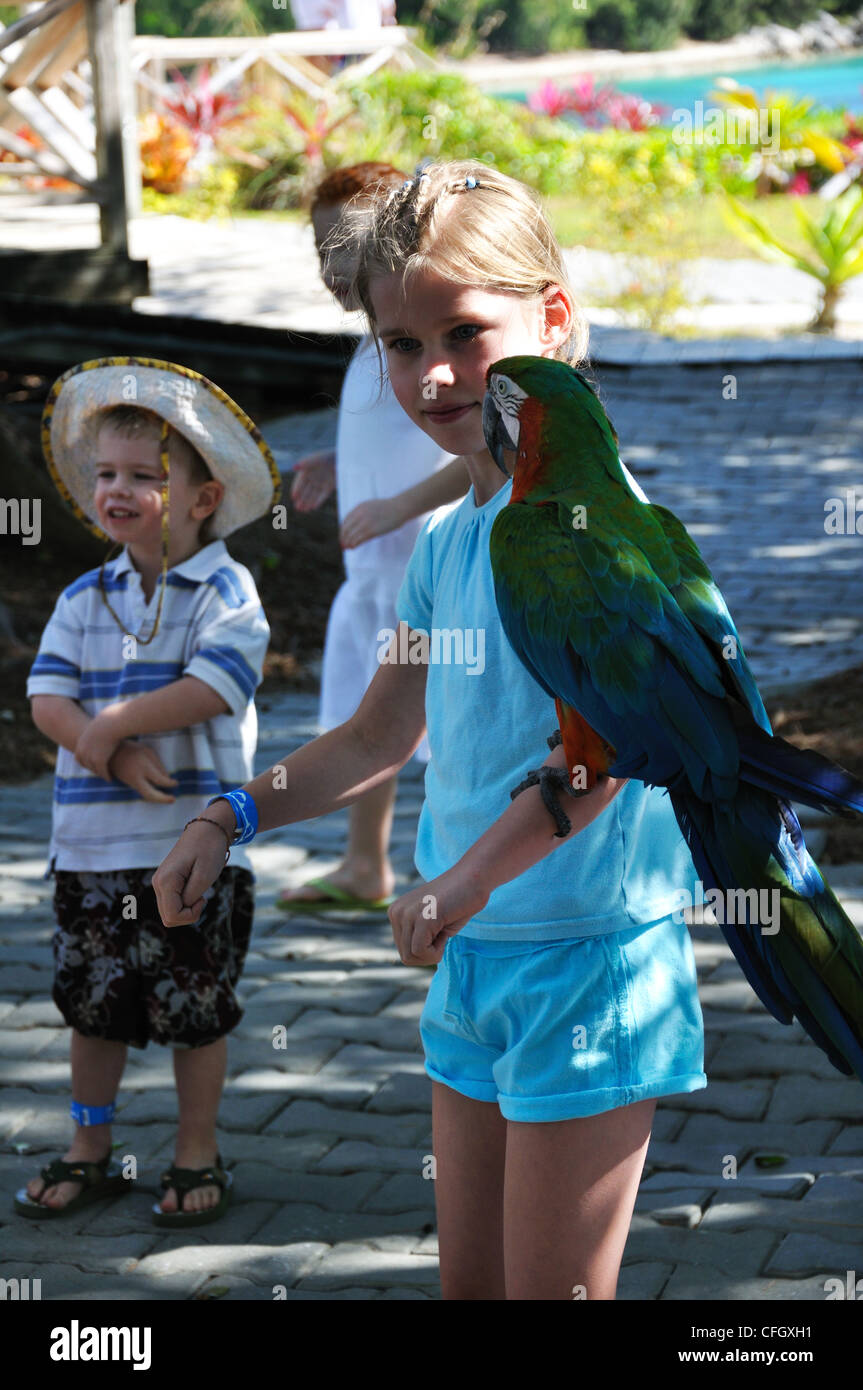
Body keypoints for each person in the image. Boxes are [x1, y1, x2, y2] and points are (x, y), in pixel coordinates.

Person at [153, 161, 705, 1299]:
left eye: (464, 328)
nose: (434, 372)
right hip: (468, 965)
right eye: (399, 344)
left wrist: (457, 883)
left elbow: (592, 761)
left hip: (586, 960)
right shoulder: (449, 546)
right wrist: (233, 810)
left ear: (552, 318)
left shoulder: (607, 533)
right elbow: (371, 738)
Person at [16, 357, 277, 1227]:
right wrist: (108, 752)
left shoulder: (227, 592)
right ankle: (91, 1146)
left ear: (202, 500)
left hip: (184, 850)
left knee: (193, 1008)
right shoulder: (85, 596)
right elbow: (47, 698)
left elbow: (215, 686)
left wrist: (114, 719)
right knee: (94, 1007)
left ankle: (194, 1149)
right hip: (91, 851)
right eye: (105, 476)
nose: (116, 491)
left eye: (143, 477)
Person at [278, 161, 468, 911]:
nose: (330, 268)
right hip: (373, 580)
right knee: (370, 718)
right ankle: (365, 865)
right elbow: (383, 433)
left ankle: (459, 868)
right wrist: (334, 459)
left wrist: (397, 506)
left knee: (444, 723)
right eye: (319, 250)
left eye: (344, 247)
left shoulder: (421, 343)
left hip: (425, 569)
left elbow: (481, 452)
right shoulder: (373, 347)